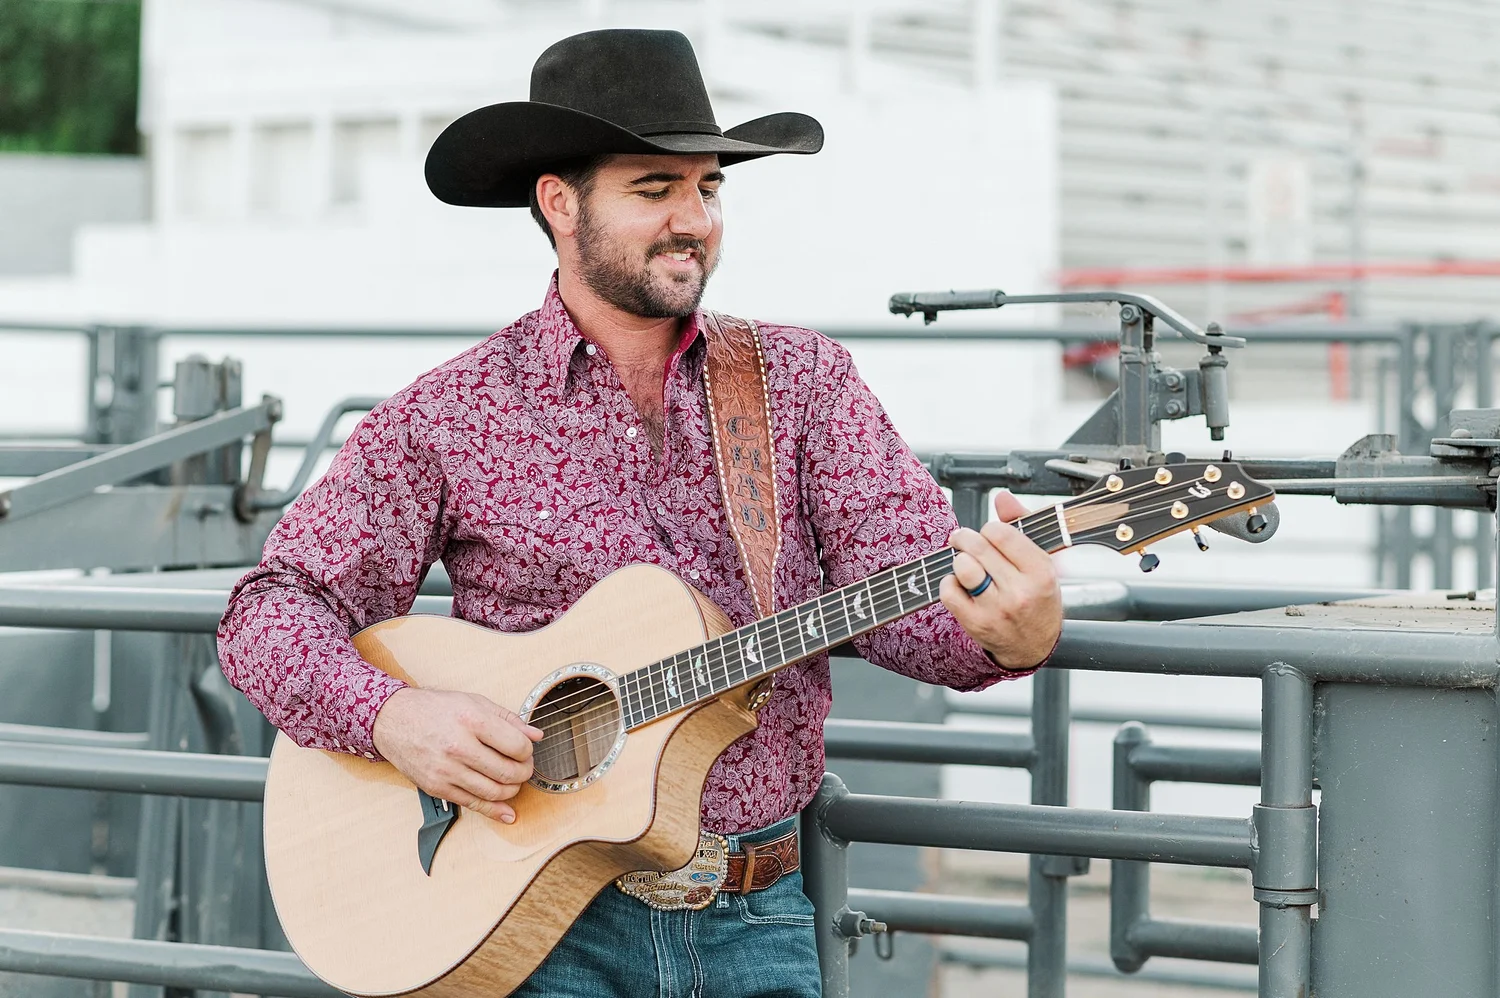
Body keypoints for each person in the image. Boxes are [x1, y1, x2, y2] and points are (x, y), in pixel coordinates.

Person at [218, 27, 1063, 998]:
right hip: (530, 916)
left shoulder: (803, 382)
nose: (693, 219)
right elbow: (268, 610)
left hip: (756, 914)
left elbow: (903, 598)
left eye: (709, 188)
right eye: (654, 188)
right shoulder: (452, 412)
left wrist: (1010, 632)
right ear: (559, 202)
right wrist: (394, 716)